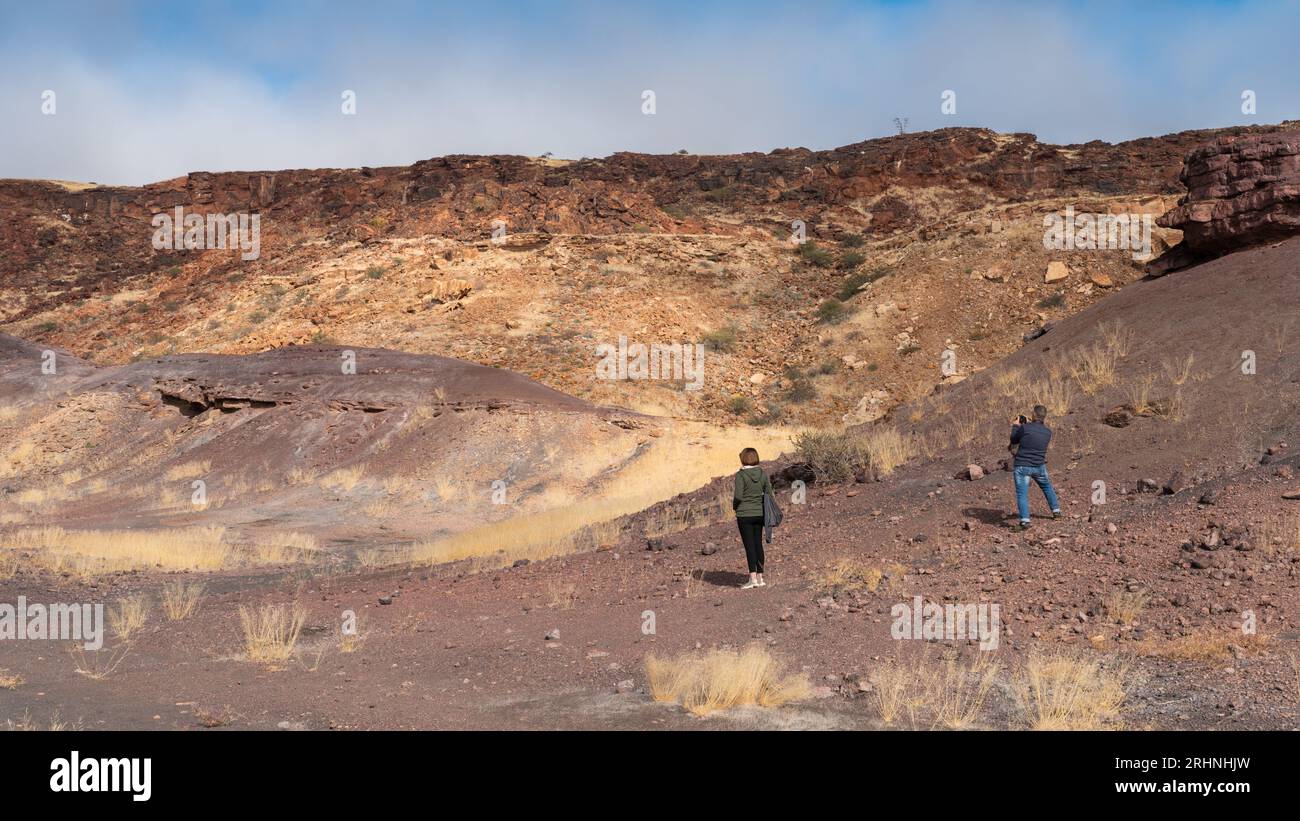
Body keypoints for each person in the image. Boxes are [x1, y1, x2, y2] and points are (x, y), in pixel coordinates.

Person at [1009, 404, 1061, 530]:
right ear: (1044, 416)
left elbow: (1014, 440)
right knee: (1047, 487)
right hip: (1039, 465)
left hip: (1022, 466)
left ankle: (1025, 521)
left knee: (1022, 494)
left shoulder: (1025, 428)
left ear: (1033, 414)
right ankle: (1056, 512)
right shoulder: (1048, 432)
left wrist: (1016, 425)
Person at [732, 447, 772, 589]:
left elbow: (738, 496)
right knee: (758, 544)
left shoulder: (740, 475)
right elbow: (769, 493)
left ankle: (752, 579)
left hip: (744, 514)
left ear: (743, 458)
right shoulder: (762, 474)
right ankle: (760, 578)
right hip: (760, 513)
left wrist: (735, 506)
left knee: (749, 547)